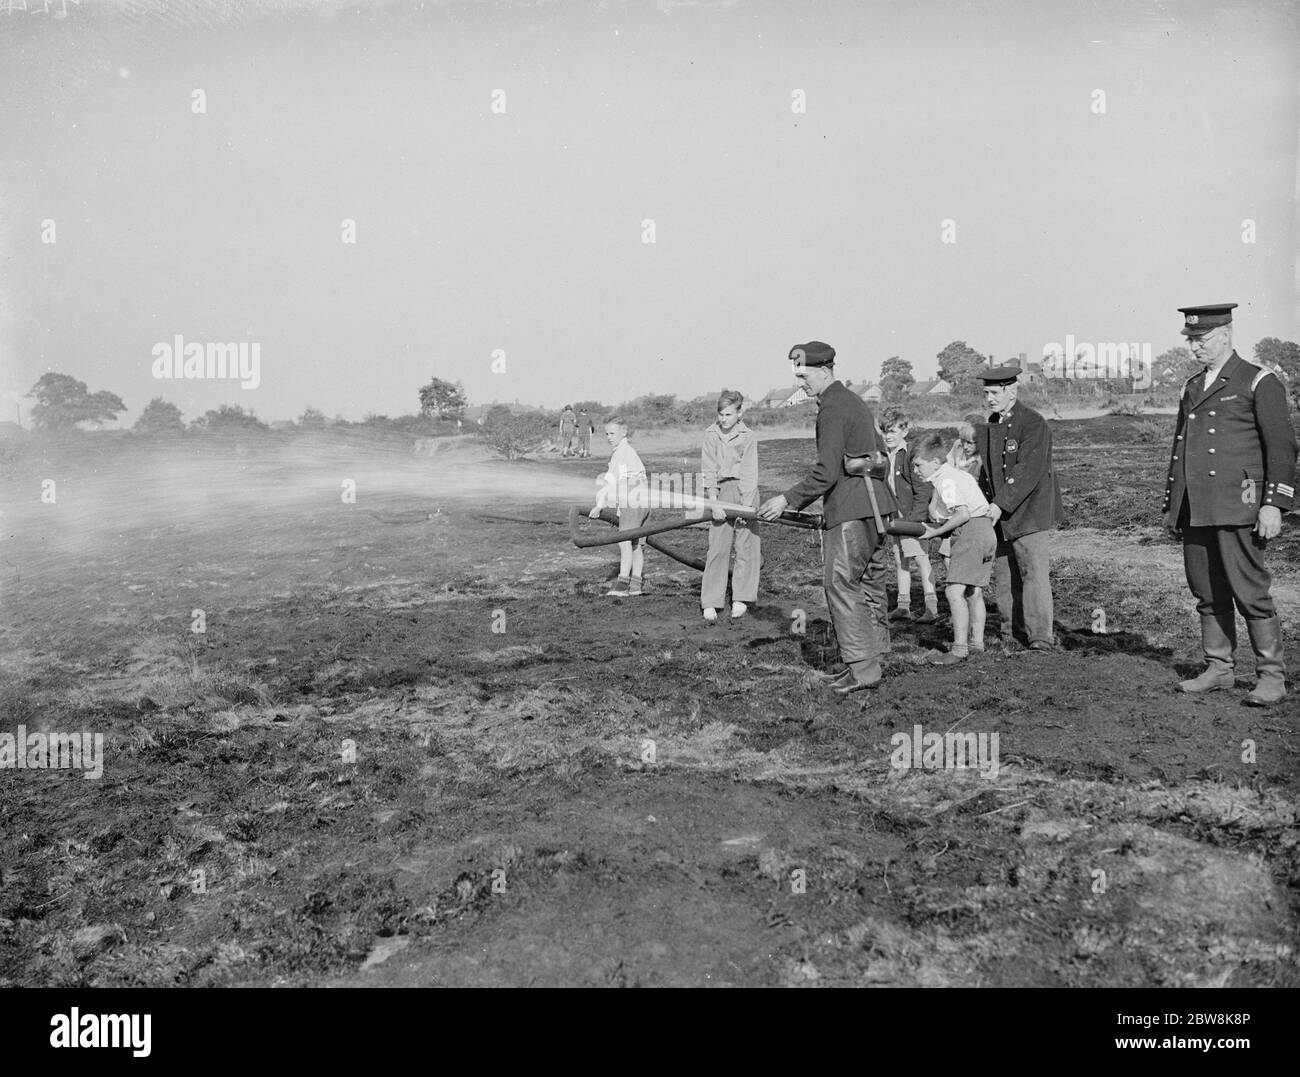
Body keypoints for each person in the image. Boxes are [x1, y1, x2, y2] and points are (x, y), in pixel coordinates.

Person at [1163, 302, 1296, 706]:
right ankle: (1219, 668)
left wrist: (1273, 504)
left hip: (1241, 504)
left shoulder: (1258, 380)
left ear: (1225, 334)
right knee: (1206, 590)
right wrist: (1175, 507)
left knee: (1250, 590)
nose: (1195, 348)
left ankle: (1271, 675)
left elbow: (1282, 447)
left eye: (1201, 340)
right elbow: (1180, 450)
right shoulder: (1192, 386)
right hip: (1198, 508)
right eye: (1191, 341)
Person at [758, 341, 899, 694]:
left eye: (804, 376)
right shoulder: (852, 401)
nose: (800, 383)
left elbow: (826, 473)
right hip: (876, 508)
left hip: (852, 510)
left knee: (839, 583)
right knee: (867, 584)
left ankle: (863, 669)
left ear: (824, 371)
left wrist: (786, 499)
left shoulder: (833, 408)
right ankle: (870, 664)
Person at [976, 365, 1064, 652]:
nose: (989, 398)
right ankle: (1011, 632)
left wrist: (1000, 504)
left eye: (994, 392)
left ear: (1012, 391)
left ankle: (1039, 637)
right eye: (986, 392)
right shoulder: (991, 423)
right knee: (1005, 575)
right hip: (1001, 513)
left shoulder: (1032, 423)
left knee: (1032, 573)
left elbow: (1028, 469)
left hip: (1029, 512)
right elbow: (988, 472)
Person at [915, 433, 997, 664]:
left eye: (919, 465)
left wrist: (936, 532)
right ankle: (977, 644)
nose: (916, 470)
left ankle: (959, 649)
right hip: (985, 531)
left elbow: (962, 513)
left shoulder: (946, 481)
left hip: (970, 532)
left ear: (935, 463)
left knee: (953, 591)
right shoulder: (955, 475)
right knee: (973, 591)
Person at [700, 389, 761, 621]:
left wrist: (746, 506)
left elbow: (749, 472)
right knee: (717, 546)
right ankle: (711, 601)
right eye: (720, 414)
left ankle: (741, 598)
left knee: (746, 546)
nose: (723, 419)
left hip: (745, 491)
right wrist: (714, 502)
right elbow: (709, 470)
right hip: (721, 492)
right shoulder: (710, 435)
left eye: (728, 414)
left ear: (739, 412)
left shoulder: (748, 436)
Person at [879, 406, 938, 623]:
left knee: (921, 559)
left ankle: (932, 607)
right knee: (899, 559)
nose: (888, 436)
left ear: (904, 431)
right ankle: (903, 606)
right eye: (885, 431)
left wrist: (915, 520)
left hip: (912, 519)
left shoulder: (910, 454)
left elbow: (922, 490)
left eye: (893, 431)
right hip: (894, 518)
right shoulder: (884, 455)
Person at [590, 416, 648, 596]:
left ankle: (622, 585)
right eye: (606, 434)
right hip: (643, 500)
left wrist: (599, 507)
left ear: (624, 432)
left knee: (624, 542)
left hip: (632, 501)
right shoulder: (629, 451)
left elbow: (610, 483)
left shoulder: (621, 453)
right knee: (636, 544)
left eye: (612, 433)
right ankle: (636, 584)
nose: (609, 437)